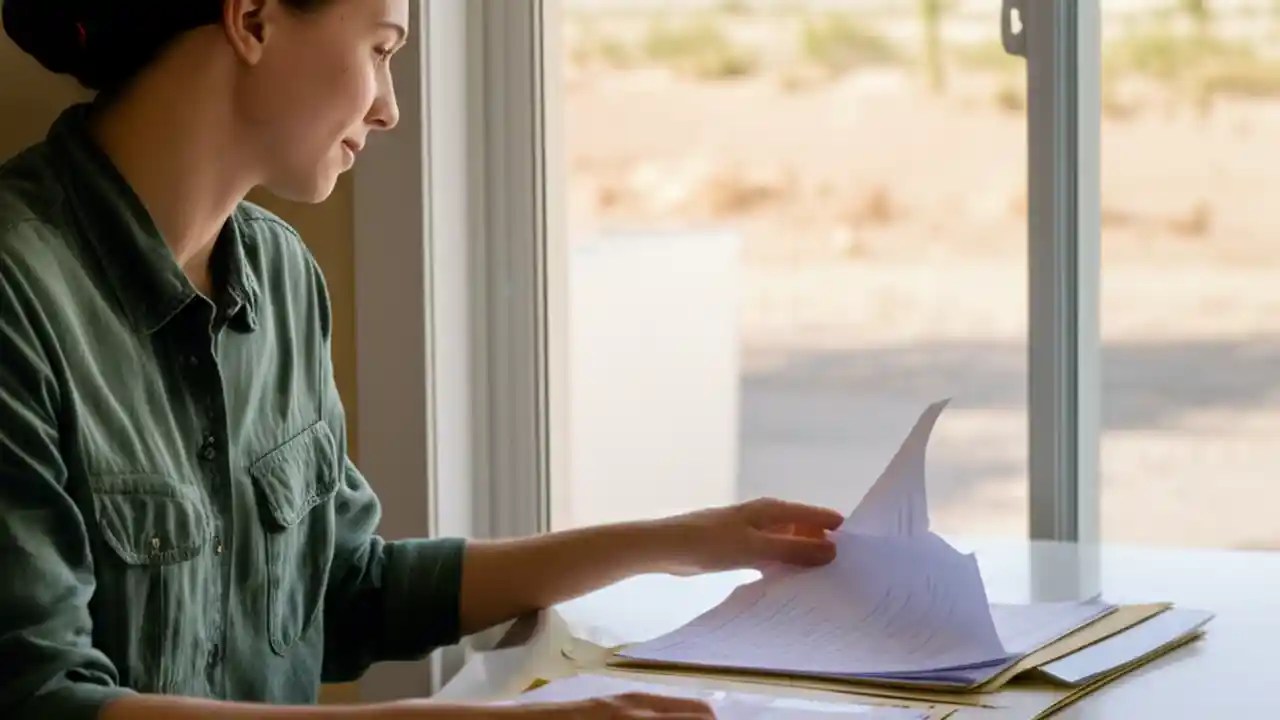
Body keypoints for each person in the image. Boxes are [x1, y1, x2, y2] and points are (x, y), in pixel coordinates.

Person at [0, 2, 846, 718]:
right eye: (380, 50)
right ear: (252, 20)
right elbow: (44, 699)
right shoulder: (18, 294)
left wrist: (681, 542)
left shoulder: (280, 276)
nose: (390, 109)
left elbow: (349, 592)